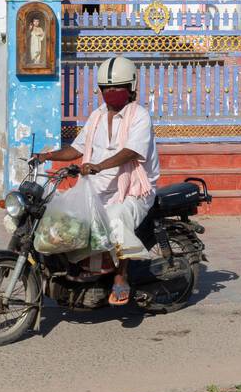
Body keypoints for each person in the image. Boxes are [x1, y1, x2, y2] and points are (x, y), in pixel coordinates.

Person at [30, 56, 159, 305]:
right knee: (68, 217)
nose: (111, 93)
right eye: (107, 88)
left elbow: (131, 152)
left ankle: (121, 277)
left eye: (117, 88)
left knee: (115, 218)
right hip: (100, 186)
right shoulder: (97, 116)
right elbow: (77, 149)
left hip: (134, 190)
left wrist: (99, 165)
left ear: (131, 88)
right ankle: (84, 268)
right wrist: (46, 155)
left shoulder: (140, 116)